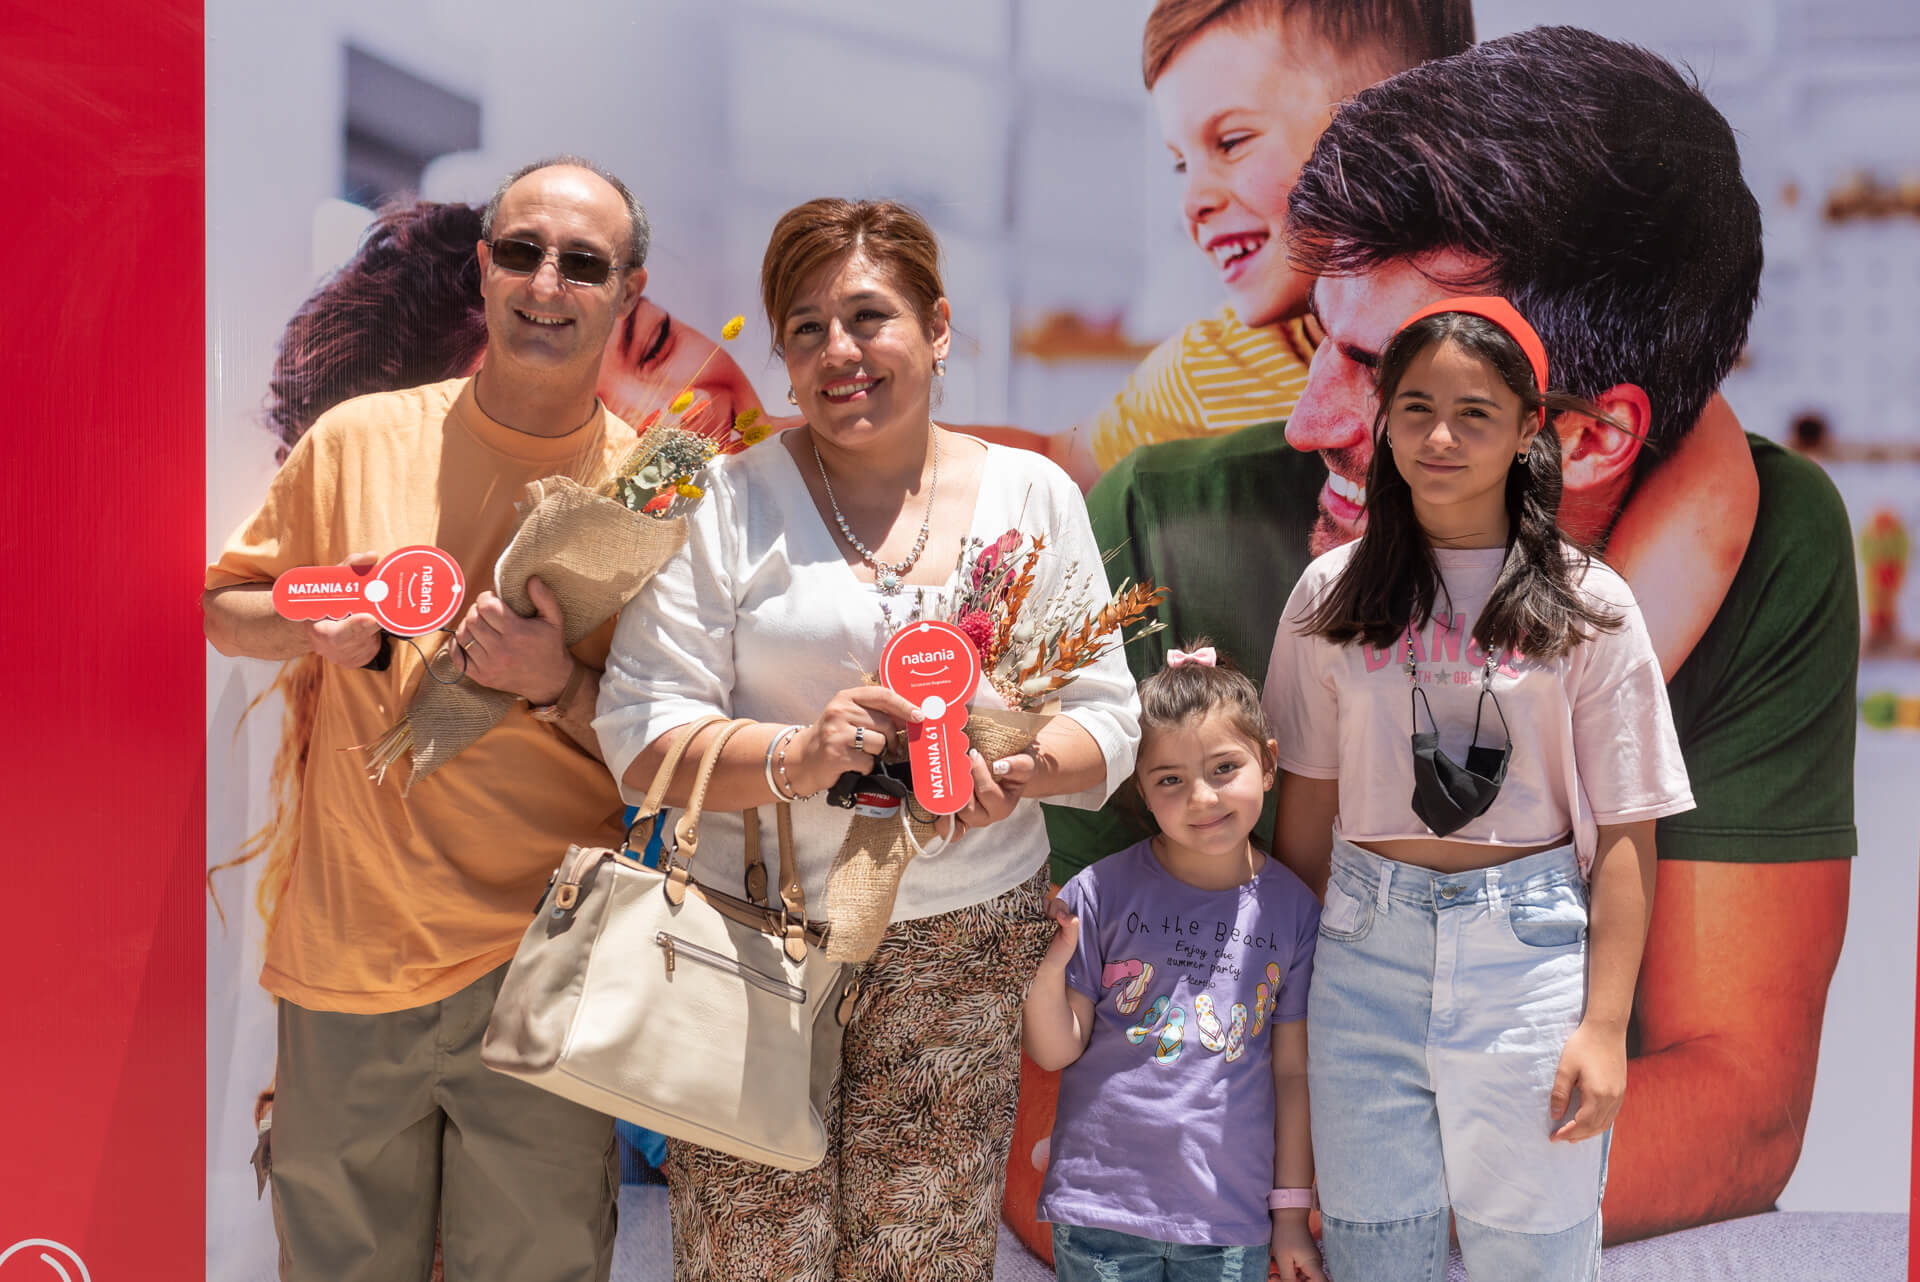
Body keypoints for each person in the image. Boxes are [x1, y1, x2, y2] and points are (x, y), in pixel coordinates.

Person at [1082, 26, 1860, 1242]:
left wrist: (1351, 1206)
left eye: (1378, 374)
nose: (1308, 423)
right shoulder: (1161, 522)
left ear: (1597, 435)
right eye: (1322, 339)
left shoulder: (1765, 540)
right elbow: (1034, 1075)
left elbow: (1739, 1107)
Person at [1040, 1, 1760, 877]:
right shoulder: (1209, 389)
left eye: (1235, 141)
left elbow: (1711, 491)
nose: (1307, 426)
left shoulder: (1661, 469)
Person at [593, 197, 1140, 1281]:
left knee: (923, 1257)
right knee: (751, 1258)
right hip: (752, 934)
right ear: (785, 360)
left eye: (868, 316)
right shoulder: (726, 502)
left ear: (937, 327)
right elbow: (641, 730)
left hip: (961, 944)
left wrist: (1027, 768)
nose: (838, 351)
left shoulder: (1028, 493)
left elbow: (1109, 712)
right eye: (805, 328)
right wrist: (795, 754)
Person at [203, 156, 658, 1282]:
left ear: (625, 291)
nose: (546, 283)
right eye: (522, 251)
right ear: (484, 269)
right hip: (350, 959)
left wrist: (557, 680)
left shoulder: (658, 491)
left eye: (582, 263)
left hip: (548, 970)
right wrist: (317, 623)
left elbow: (671, 744)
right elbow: (228, 606)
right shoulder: (359, 441)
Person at [1268, 297, 1695, 1278]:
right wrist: (1295, 992)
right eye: (1415, 409)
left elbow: (1628, 831)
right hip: (1362, 958)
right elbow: (1306, 814)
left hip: (1530, 962)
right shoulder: (1327, 598)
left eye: (1475, 412)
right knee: (1379, 1255)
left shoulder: (1593, 605)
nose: (1441, 436)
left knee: (1534, 1256)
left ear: (1529, 428)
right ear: (1382, 420)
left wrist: (1602, 1025)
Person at [1024, 645, 1325, 1282]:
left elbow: (1293, 1075)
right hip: (1100, 1211)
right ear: (1142, 788)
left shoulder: (1295, 912)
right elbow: (1055, 1052)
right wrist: (1048, 969)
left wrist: (1292, 1216)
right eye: (1170, 779)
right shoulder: (1097, 894)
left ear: (1268, 765)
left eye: (1223, 768)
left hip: (1228, 1220)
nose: (1201, 797)